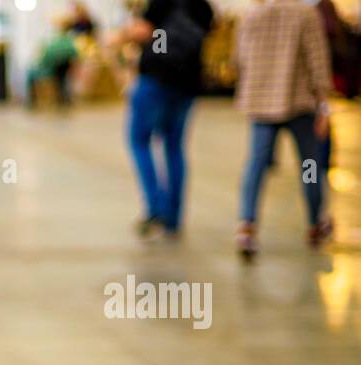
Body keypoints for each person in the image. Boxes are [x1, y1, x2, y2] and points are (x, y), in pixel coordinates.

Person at [234, 0, 335, 258]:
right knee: (309, 167)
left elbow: (239, 59)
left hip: (261, 103)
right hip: (299, 102)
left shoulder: (251, 16)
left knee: (256, 165)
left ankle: (247, 227)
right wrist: (324, 105)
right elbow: (318, 61)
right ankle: (315, 223)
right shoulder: (306, 14)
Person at [122, 0, 214, 239]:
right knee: (174, 147)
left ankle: (156, 207)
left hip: (155, 79)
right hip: (186, 84)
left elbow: (143, 31)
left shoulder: (160, 3)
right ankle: (173, 217)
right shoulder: (202, 7)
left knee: (139, 141)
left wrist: (124, 34)